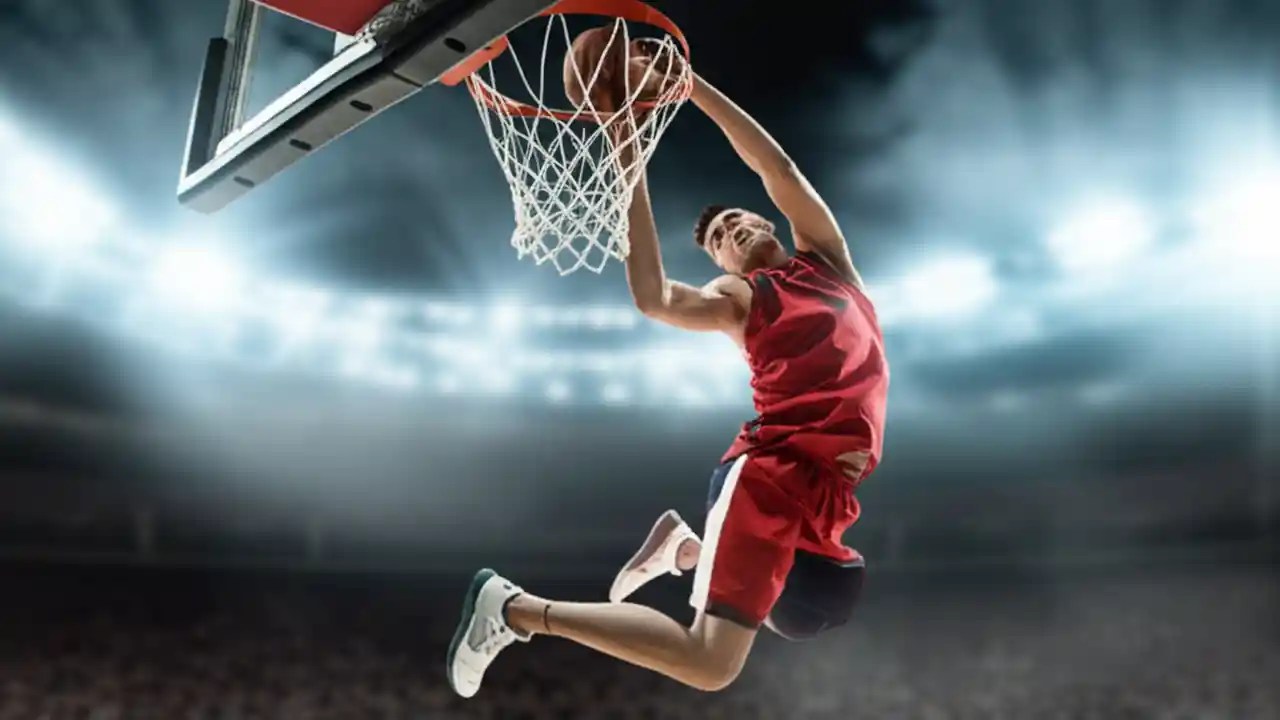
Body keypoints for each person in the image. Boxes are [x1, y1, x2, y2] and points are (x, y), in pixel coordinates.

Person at [447, 65, 889, 699]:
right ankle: (513, 608)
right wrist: (627, 146)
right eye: (716, 241)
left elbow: (778, 168)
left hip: (831, 489)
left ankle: (686, 550)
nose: (730, 233)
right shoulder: (740, 298)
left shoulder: (831, 262)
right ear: (724, 265)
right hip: (772, 477)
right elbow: (654, 297)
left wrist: (691, 87)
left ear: (766, 222)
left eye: (736, 220)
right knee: (712, 664)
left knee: (815, 605)